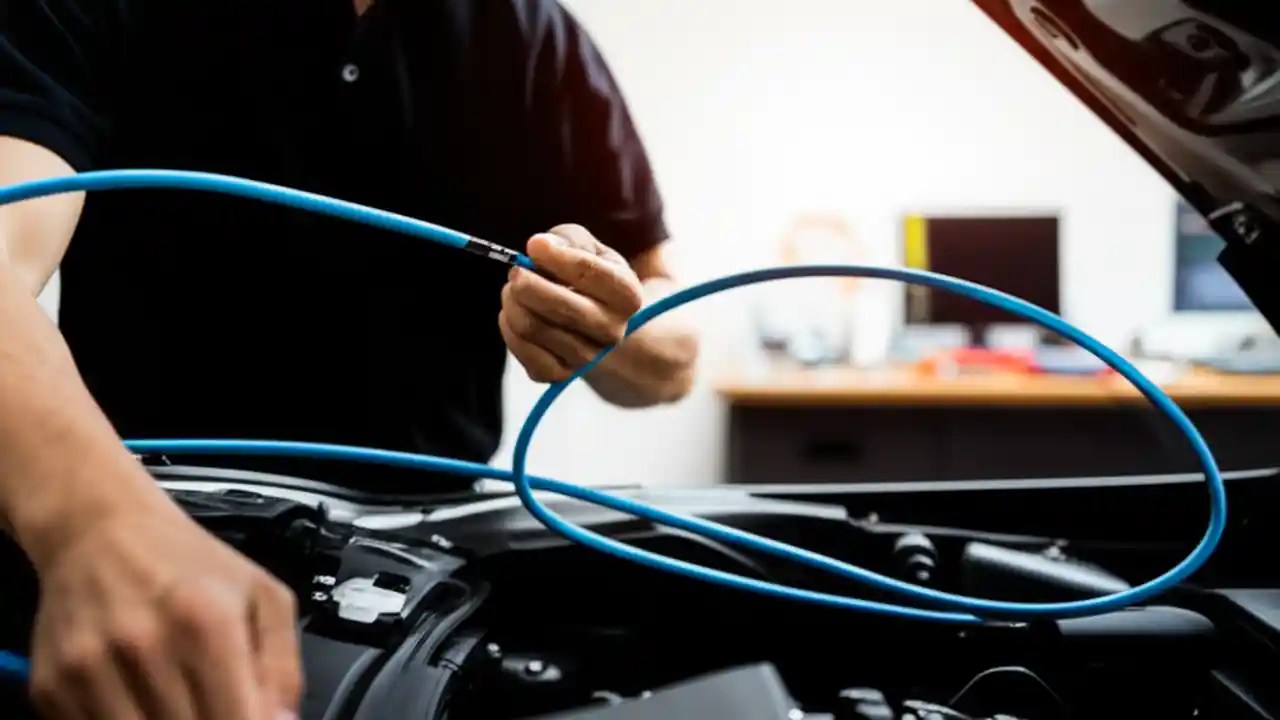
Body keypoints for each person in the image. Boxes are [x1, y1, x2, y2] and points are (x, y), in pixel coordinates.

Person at [0, 0, 699, 718]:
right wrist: (97, 524)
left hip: (440, 558)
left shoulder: (530, 34)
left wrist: (611, 324)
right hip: (146, 529)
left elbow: (676, 355)